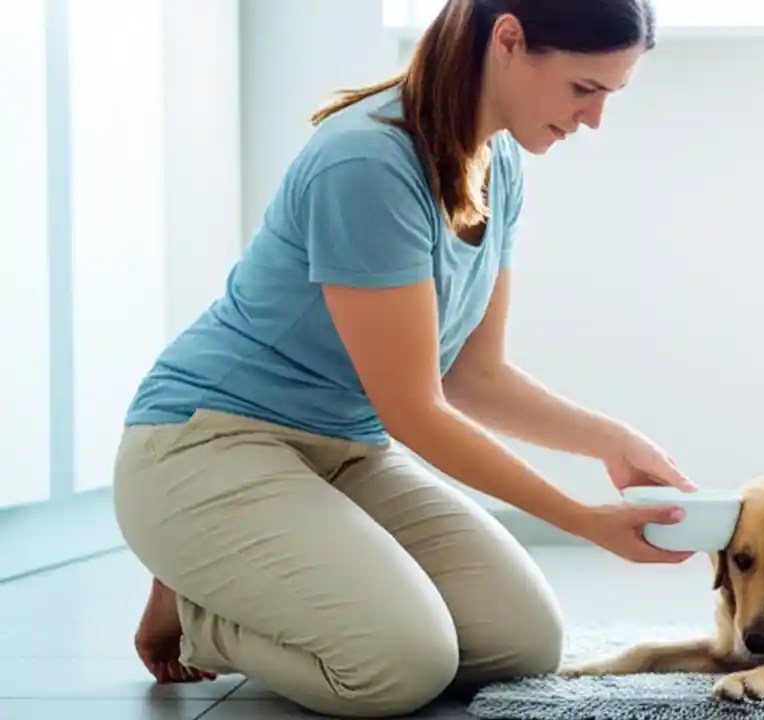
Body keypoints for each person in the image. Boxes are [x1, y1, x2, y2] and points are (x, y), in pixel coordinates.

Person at [111, 0, 693, 716]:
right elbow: (414, 411)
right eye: (584, 89)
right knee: (399, 665)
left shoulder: (499, 163)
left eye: (610, 95)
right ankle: (202, 605)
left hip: (343, 451)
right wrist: (580, 517)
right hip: (205, 444)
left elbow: (474, 376)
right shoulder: (368, 161)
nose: (593, 120)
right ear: (508, 39)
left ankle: (244, 563)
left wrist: (616, 443)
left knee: (523, 641)